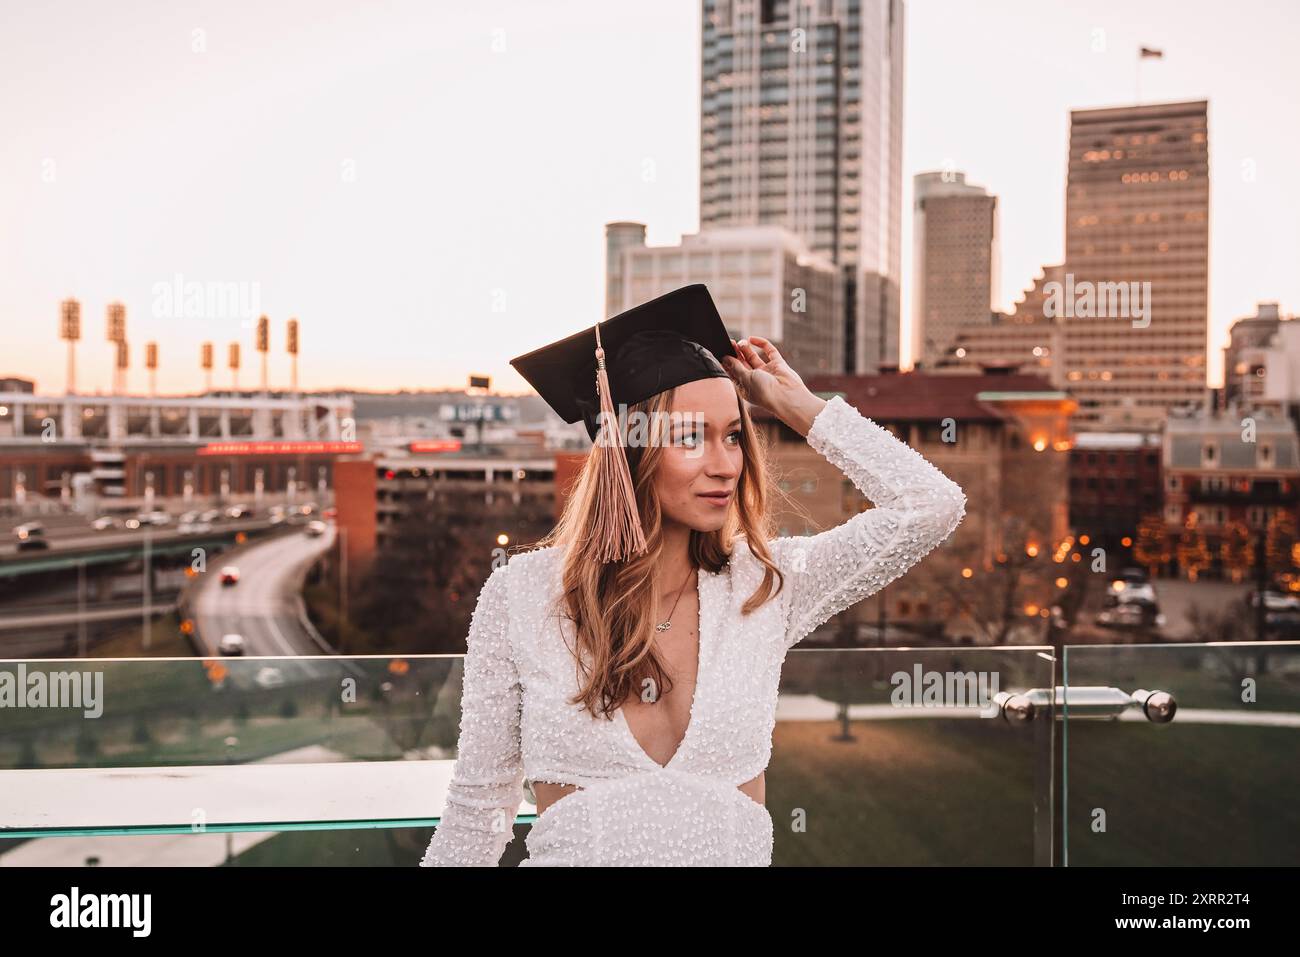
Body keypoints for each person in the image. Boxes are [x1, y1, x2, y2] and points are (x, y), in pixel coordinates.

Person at [419, 283, 965, 866]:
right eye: (690, 438)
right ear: (627, 452)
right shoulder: (523, 595)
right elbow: (478, 813)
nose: (725, 464)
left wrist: (798, 407)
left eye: (733, 435)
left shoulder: (768, 585)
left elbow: (930, 505)